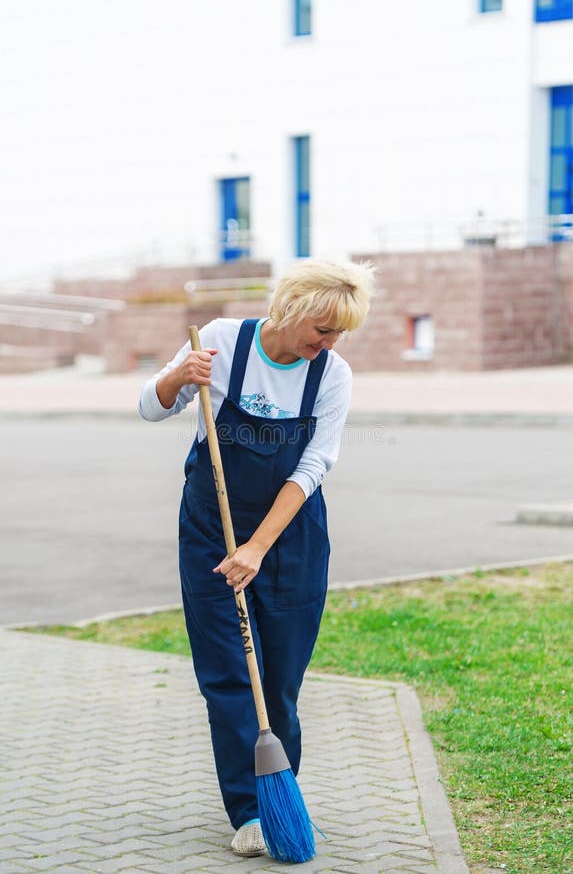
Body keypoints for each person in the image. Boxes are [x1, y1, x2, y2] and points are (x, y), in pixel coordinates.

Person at [138, 259, 373, 857]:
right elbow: (151, 406)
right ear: (291, 307)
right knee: (231, 679)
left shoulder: (332, 375)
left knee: (280, 681)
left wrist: (259, 547)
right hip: (211, 533)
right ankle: (249, 812)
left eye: (338, 334)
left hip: (288, 538)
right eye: (322, 329)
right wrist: (178, 379)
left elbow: (314, 464)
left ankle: (280, 799)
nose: (328, 344)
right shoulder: (219, 342)